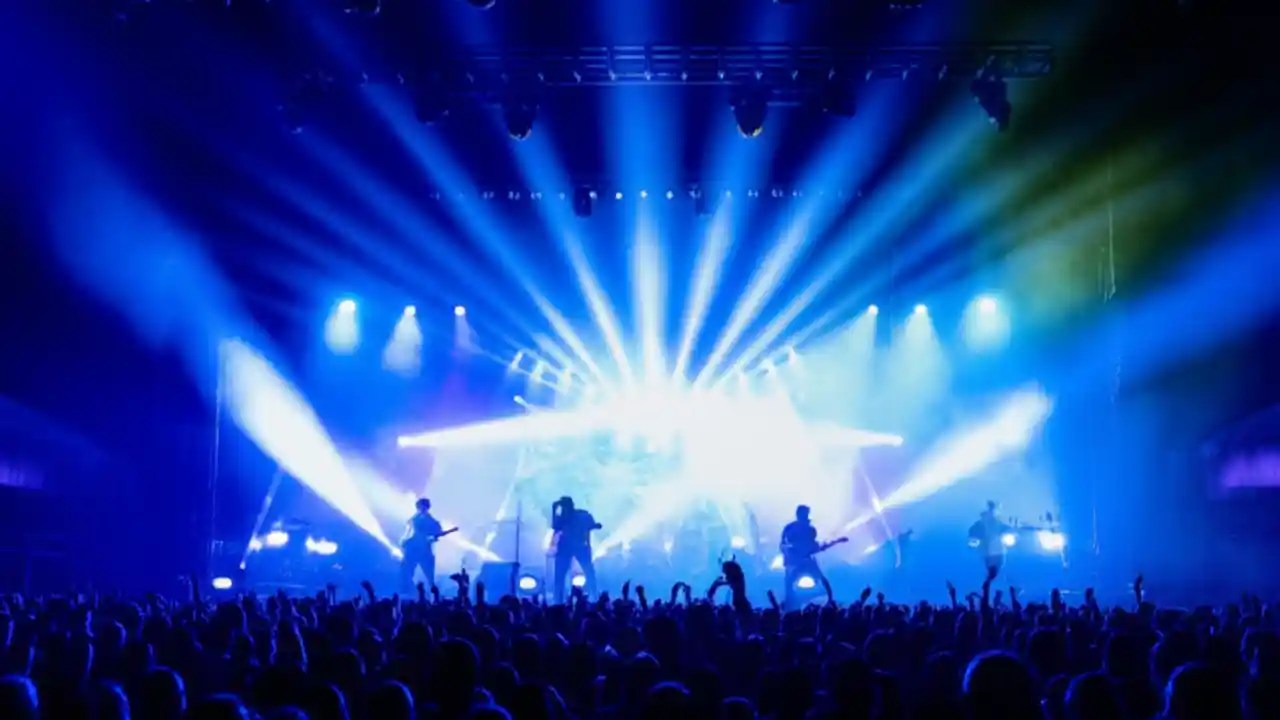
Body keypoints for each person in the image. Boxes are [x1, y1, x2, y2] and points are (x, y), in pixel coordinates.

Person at [779, 505, 831, 610]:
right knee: (789, 582)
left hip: (806, 560)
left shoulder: (810, 529)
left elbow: (814, 545)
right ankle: (789, 603)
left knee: (821, 579)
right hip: (795, 562)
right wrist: (788, 553)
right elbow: (782, 544)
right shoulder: (790, 528)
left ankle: (830, 599)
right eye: (805, 513)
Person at [551, 496, 601, 602]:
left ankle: (594, 596)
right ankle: (557, 599)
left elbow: (592, 525)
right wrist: (554, 509)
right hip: (568, 546)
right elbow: (555, 526)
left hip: (579, 546)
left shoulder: (582, 515)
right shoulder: (564, 517)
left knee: (588, 572)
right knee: (560, 574)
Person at [400, 498, 445, 593]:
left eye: (424, 506)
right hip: (412, 549)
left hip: (424, 551)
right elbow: (407, 533)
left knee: (430, 577)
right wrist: (404, 542)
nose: (422, 508)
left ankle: (433, 596)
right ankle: (408, 592)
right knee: (407, 573)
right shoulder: (412, 520)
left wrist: (433, 537)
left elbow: (437, 533)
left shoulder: (431, 521)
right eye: (420, 506)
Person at [969, 500, 1014, 581]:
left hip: (992, 551)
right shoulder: (984, 523)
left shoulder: (988, 522)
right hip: (993, 551)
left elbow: (974, 534)